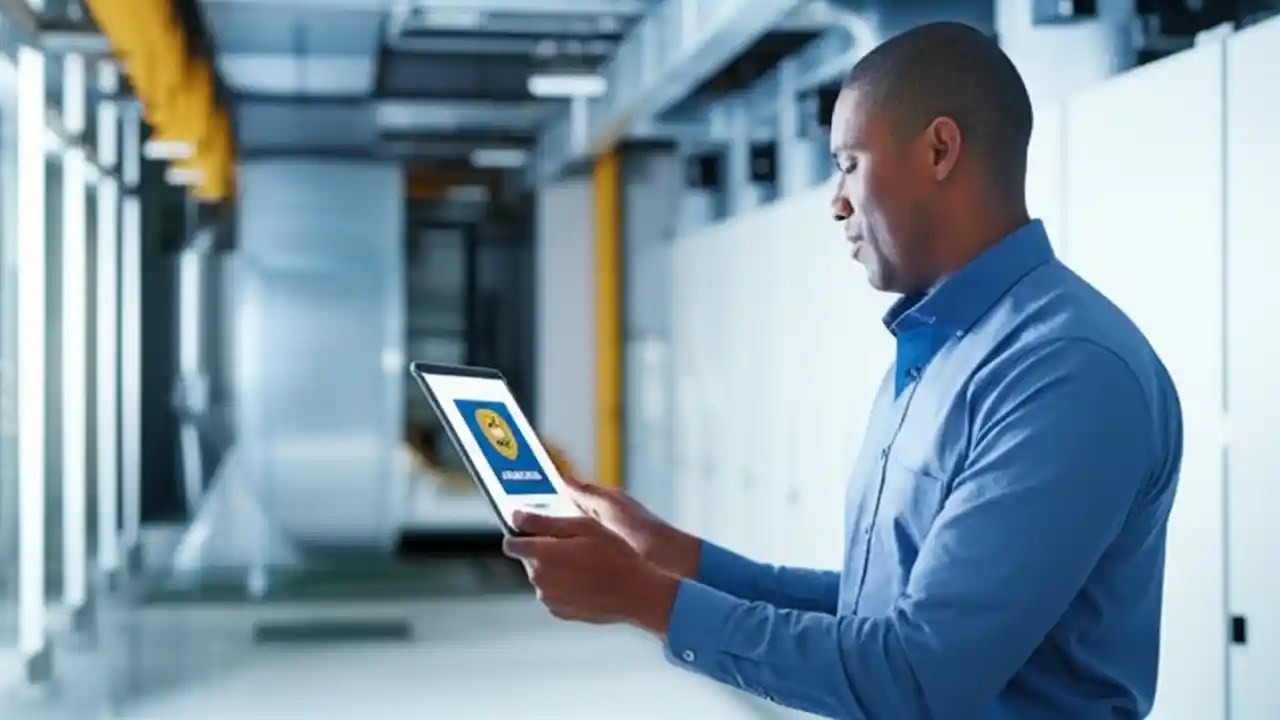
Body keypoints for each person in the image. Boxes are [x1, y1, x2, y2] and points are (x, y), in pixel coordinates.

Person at [503, 21, 1183, 720]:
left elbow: (917, 674)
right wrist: (666, 555)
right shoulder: (938, 353)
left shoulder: (1064, 374)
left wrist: (645, 598)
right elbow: (877, 616)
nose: (836, 201)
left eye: (849, 163)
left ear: (939, 150)